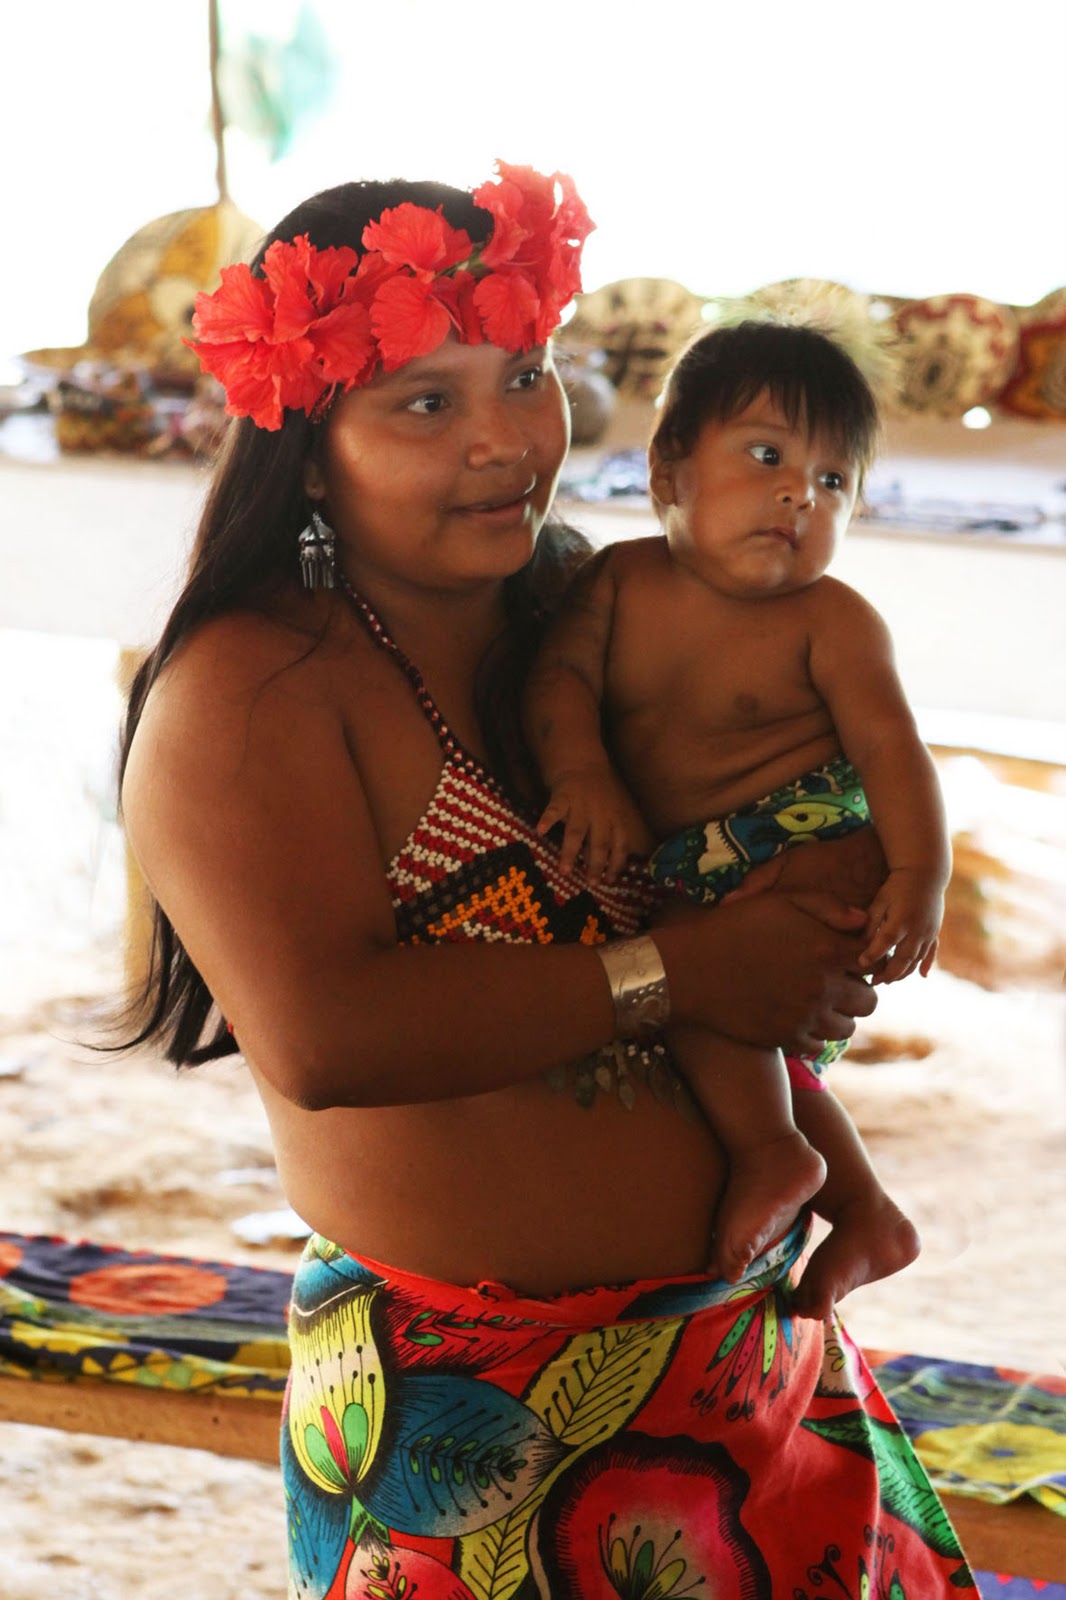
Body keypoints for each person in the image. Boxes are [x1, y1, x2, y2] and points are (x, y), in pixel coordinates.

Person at [118, 165, 973, 1598]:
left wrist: (818, 915)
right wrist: (689, 977)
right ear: (307, 441)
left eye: (522, 374)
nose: (507, 439)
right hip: (482, 1426)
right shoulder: (251, 691)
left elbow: (748, 840)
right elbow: (327, 1037)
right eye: (425, 404)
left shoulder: (582, 604)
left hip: (742, 1356)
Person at [526, 318, 950, 1310]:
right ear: (668, 469)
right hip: (681, 860)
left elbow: (894, 752)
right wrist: (581, 770)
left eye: (833, 479)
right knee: (734, 1021)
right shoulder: (619, 580)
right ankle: (867, 1212)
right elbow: (558, 682)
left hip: (806, 839)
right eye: (766, 456)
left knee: (703, 980)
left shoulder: (833, 621)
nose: (800, 492)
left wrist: (916, 877)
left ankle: (773, 1157)